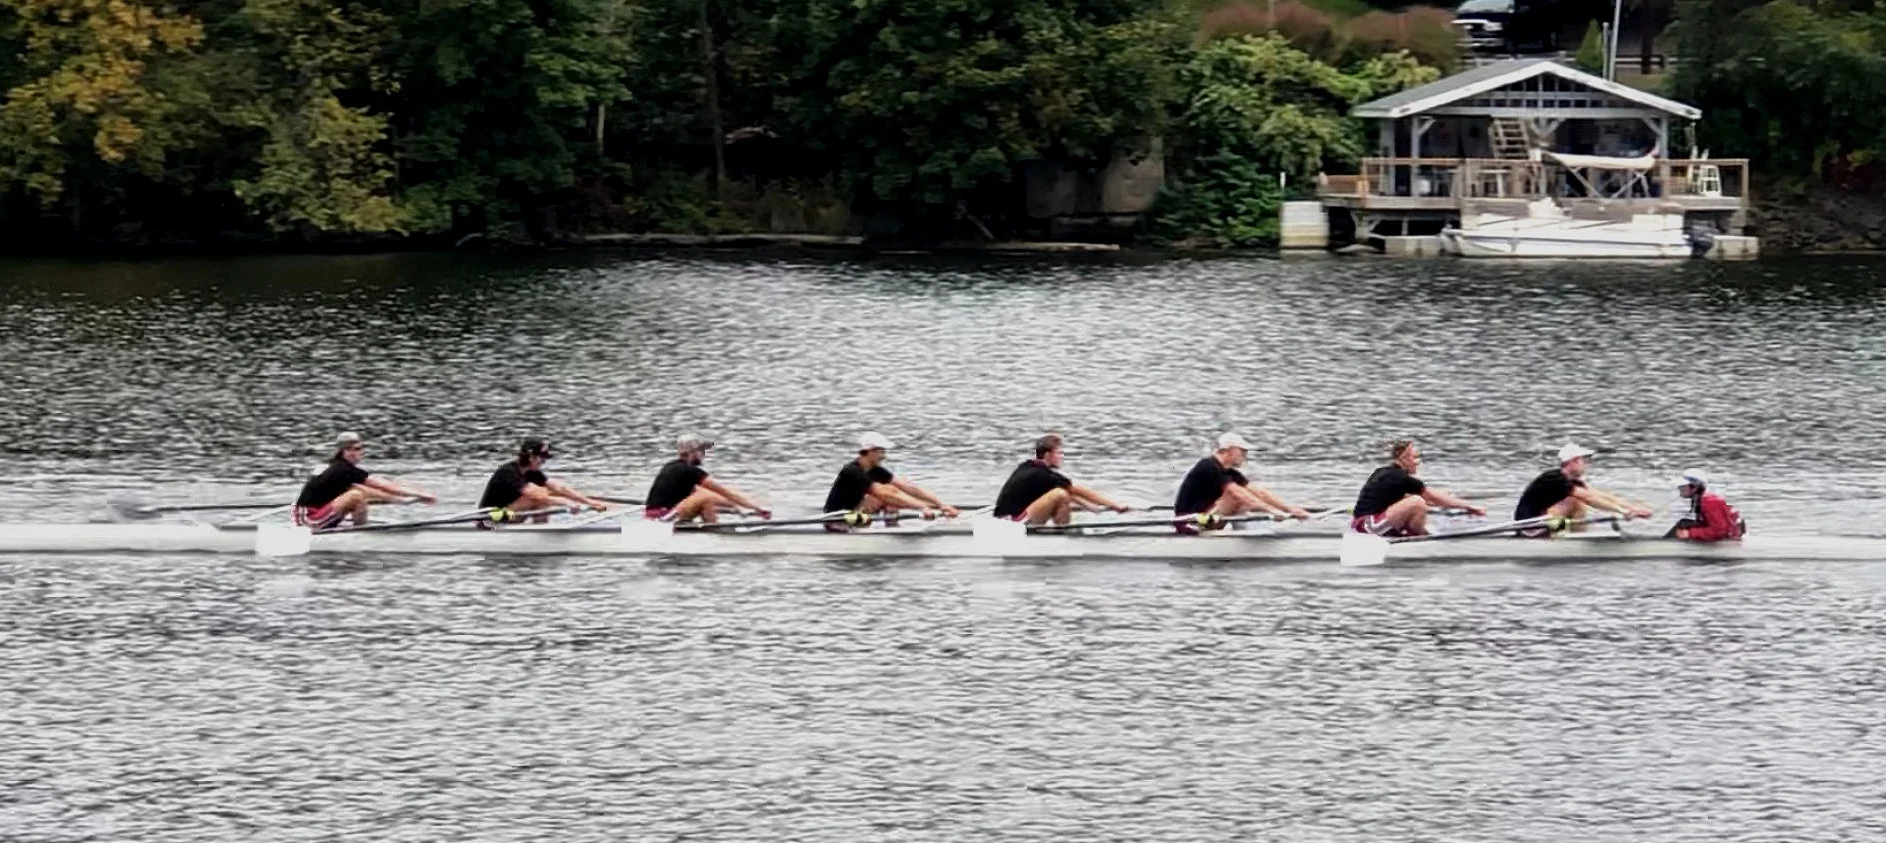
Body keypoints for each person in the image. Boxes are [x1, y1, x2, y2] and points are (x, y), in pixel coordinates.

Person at [1172, 432, 1313, 533]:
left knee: (1250, 494)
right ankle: (1246, 539)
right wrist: (1271, 511)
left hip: (1208, 518)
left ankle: (1248, 537)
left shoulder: (1229, 472)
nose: (1246, 456)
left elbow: (1259, 492)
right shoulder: (1208, 466)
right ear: (1229, 450)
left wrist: (1289, 509)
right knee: (1237, 496)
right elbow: (1236, 492)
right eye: (1243, 451)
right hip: (1189, 523)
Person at [292, 431, 437, 529]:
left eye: (360, 448)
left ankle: (362, 526)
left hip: (309, 513)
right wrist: (422, 494)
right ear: (344, 452)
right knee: (356, 496)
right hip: (308, 520)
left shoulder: (335, 466)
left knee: (359, 492)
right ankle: (360, 533)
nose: (358, 453)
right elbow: (384, 485)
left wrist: (407, 499)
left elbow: (373, 492)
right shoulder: (343, 470)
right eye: (354, 449)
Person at [821, 432, 960, 531]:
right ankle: (891, 533)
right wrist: (922, 508)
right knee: (888, 493)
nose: (884, 456)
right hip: (837, 519)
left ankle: (892, 528)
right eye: (881, 451)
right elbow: (886, 494)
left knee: (898, 487)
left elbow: (909, 487)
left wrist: (942, 505)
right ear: (869, 451)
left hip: (857, 513)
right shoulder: (851, 471)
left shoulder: (876, 470)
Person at [1350, 439, 1487, 537]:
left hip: (1363, 524)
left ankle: (1414, 533)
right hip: (1369, 527)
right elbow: (1431, 497)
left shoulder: (1387, 473)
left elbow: (1433, 498)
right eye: (1415, 458)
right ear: (1404, 458)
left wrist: (1451, 501)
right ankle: (1421, 538)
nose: (1418, 462)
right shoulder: (1400, 478)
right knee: (1417, 503)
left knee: (1426, 499)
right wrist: (1469, 507)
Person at [1513, 443, 1653, 537]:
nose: (1586, 464)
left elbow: (1600, 496)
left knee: (1578, 502)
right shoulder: (1554, 478)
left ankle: (1574, 539)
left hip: (1542, 524)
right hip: (1529, 527)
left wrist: (1633, 508)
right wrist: (1622, 512)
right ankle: (1561, 541)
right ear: (1573, 462)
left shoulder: (1572, 481)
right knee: (1574, 502)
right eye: (1583, 460)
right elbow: (1589, 499)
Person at [992, 434, 1131, 526]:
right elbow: (1076, 490)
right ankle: (1063, 534)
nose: (1061, 456)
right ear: (1047, 455)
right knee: (1060, 494)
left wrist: (1090, 507)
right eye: (1058, 453)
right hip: (1009, 524)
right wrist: (1116, 506)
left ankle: (1060, 531)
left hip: (1007, 518)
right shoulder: (1041, 474)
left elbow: (1073, 495)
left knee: (1062, 495)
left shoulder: (1029, 467)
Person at [476, 439, 610, 526]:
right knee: (539, 497)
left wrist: (589, 502)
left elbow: (560, 488)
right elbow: (536, 496)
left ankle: (541, 531)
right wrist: (567, 503)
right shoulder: (508, 471)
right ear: (531, 457)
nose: (545, 461)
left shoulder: (532, 471)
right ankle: (541, 535)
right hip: (491, 519)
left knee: (549, 494)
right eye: (543, 457)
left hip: (510, 515)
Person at [643, 434, 771, 523]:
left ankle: (713, 528)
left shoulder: (671, 466)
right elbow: (724, 491)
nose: (704, 455)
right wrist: (757, 508)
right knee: (706, 498)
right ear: (692, 452)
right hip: (661, 517)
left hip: (658, 513)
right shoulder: (690, 471)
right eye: (702, 451)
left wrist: (736, 507)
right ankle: (714, 531)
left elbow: (711, 496)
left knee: (704, 495)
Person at [1667, 469, 1747, 541]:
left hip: (1729, 541)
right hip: (1726, 534)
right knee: (1684, 523)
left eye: (1683, 486)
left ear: (1694, 487)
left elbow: (1720, 531)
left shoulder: (1708, 502)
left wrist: (1690, 533)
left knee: (1685, 526)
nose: (1679, 488)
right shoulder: (1700, 498)